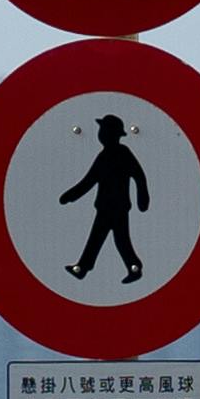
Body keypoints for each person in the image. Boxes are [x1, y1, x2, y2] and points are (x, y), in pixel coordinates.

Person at [55, 102, 155, 288]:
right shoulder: (103, 156)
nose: (100, 135)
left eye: (103, 131)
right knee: (100, 238)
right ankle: (84, 268)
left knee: (118, 240)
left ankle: (131, 268)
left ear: (112, 134)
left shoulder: (123, 153)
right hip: (105, 206)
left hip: (117, 208)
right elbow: (89, 180)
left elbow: (139, 175)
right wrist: (70, 195)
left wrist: (144, 198)